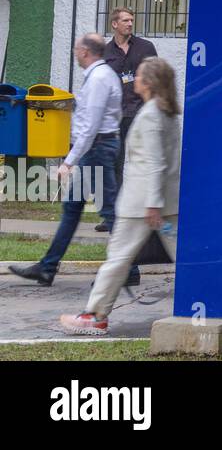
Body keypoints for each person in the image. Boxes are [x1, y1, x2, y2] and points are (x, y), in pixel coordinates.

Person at [58, 57, 181, 335]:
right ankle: (205, 301)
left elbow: (153, 162)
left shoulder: (150, 114)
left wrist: (152, 204)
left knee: (117, 258)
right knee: (184, 256)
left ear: (148, 82)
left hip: (141, 205)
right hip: (168, 201)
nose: (134, 79)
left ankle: (95, 315)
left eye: (138, 75)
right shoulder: (169, 113)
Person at [10, 34, 124, 287]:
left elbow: (91, 127)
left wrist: (69, 161)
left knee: (109, 211)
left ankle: (128, 268)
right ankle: (47, 267)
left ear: (85, 51)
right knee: (73, 209)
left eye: (76, 49)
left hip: (97, 149)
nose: (75, 53)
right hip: (96, 148)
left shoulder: (98, 79)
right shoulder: (100, 76)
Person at [99, 8, 157, 235]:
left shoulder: (145, 48)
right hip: (115, 117)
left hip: (140, 115)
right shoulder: (105, 51)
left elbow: (156, 76)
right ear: (114, 24)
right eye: (125, 20)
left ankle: (141, 212)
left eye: (131, 20)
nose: (130, 24)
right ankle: (112, 215)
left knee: (140, 163)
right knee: (113, 163)